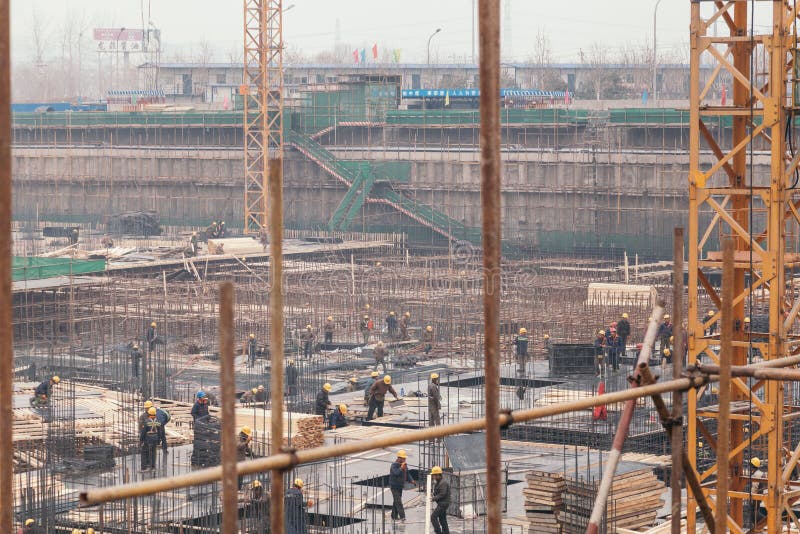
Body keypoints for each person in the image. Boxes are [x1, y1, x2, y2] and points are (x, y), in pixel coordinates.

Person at [389, 450, 416, 521]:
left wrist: (412, 480)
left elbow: (407, 473)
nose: (405, 459)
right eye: (403, 458)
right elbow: (396, 473)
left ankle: (394, 516)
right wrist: (401, 468)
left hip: (400, 486)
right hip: (394, 487)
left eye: (405, 458)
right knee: (398, 502)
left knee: (396, 502)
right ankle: (402, 517)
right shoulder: (394, 465)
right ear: (399, 458)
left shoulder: (404, 465)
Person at [140, 407, 166, 471]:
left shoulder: (147, 422)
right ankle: (153, 467)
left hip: (148, 439)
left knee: (144, 452)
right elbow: (160, 431)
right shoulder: (158, 421)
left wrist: (141, 440)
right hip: (155, 438)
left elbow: (143, 432)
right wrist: (159, 440)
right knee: (153, 452)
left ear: (149, 414)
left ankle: (144, 468)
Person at [430, 465, 451, 534]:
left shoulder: (443, 483)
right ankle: (446, 532)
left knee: (433, 517)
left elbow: (443, 494)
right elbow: (437, 492)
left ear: (438, 475)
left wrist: (433, 498)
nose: (433, 477)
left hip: (443, 504)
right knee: (442, 519)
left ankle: (438, 532)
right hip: (442, 503)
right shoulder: (438, 482)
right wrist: (432, 494)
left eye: (434, 475)